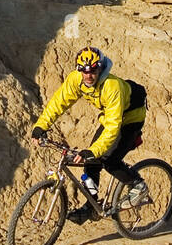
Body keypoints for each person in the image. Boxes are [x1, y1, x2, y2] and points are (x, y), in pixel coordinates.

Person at [30, 46, 149, 222]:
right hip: (110, 119)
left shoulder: (112, 86)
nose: (88, 75)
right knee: (91, 162)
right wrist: (41, 126)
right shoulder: (76, 80)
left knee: (108, 160)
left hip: (130, 119)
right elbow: (58, 103)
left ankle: (138, 186)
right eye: (84, 71)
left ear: (100, 68)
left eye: (93, 70)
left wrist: (95, 150)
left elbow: (113, 126)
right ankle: (91, 206)